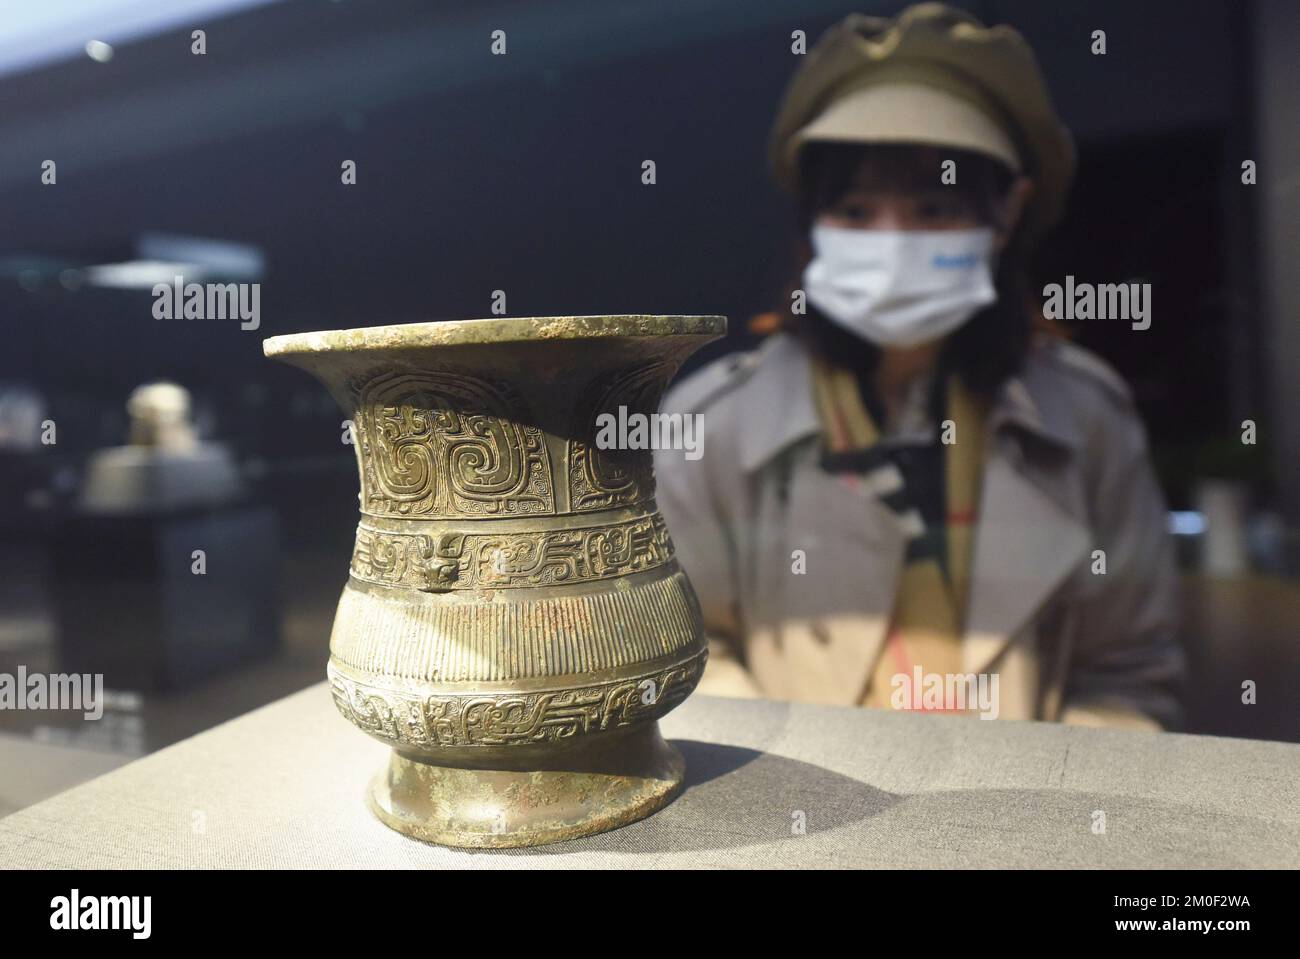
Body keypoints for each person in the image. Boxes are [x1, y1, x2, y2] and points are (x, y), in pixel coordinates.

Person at [654, 3, 1183, 729]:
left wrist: (1050, 822)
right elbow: (686, 653)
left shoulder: (1087, 415)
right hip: (803, 826)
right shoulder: (710, 423)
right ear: (813, 222)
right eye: (857, 210)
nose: (892, 241)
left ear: (1008, 212)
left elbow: (1128, 673)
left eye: (934, 208)